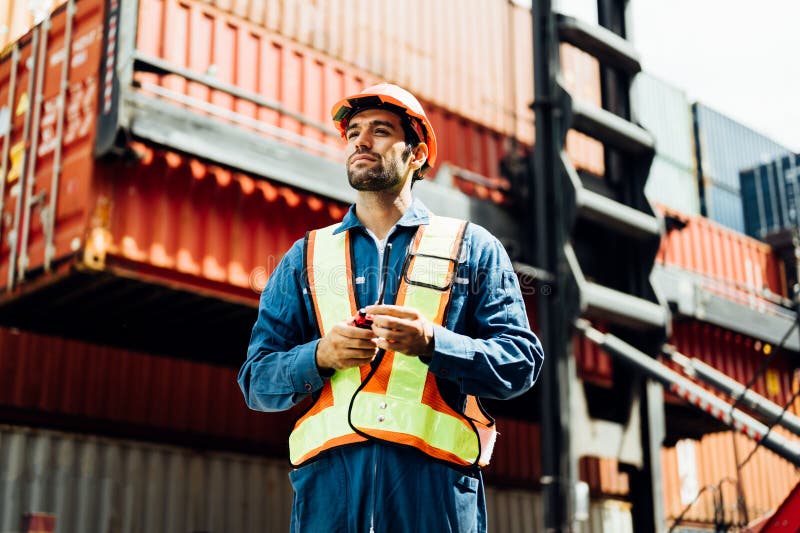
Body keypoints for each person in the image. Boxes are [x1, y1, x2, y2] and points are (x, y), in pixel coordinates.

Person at [238, 83, 543, 533]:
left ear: (417, 155)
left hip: (434, 505)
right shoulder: (305, 257)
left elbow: (520, 363)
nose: (360, 141)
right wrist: (320, 356)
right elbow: (256, 381)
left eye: (380, 131)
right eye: (353, 132)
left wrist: (434, 343)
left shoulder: (472, 248)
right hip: (329, 505)